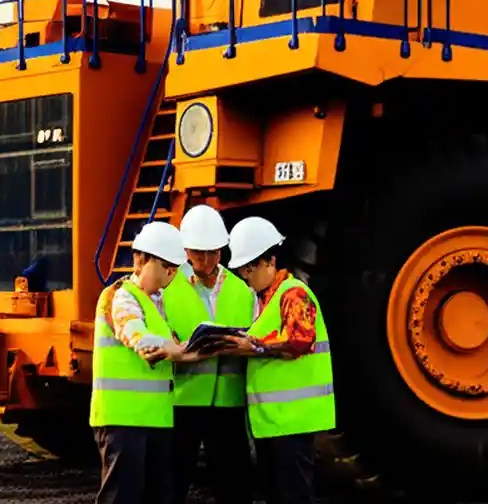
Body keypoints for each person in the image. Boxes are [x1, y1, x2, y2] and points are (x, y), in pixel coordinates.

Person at [221, 216, 335, 504]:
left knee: (293, 495)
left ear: (270, 262)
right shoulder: (264, 299)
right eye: (241, 269)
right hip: (272, 423)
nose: (244, 275)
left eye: (249, 267)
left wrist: (252, 345)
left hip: (292, 424)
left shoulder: (294, 294)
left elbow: (300, 340)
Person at [89, 220, 199, 504]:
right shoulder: (120, 296)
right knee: (122, 497)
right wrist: (176, 350)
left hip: (154, 419)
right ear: (141, 260)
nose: (171, 277)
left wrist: (198, 349)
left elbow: (167, 346)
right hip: (123, 419)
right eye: (168, 269)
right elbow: (139, 339)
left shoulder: (155, 303)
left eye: (175, 270)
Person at [165, 204, 258, 504]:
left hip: (228, 404)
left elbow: (257, 333)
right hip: (182, 401)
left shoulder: (242, 290)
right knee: (171, 483)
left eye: (212, 252)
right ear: (184, 250)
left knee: (234, 485)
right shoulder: (167, 288)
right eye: (197, 253)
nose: (205, 260)